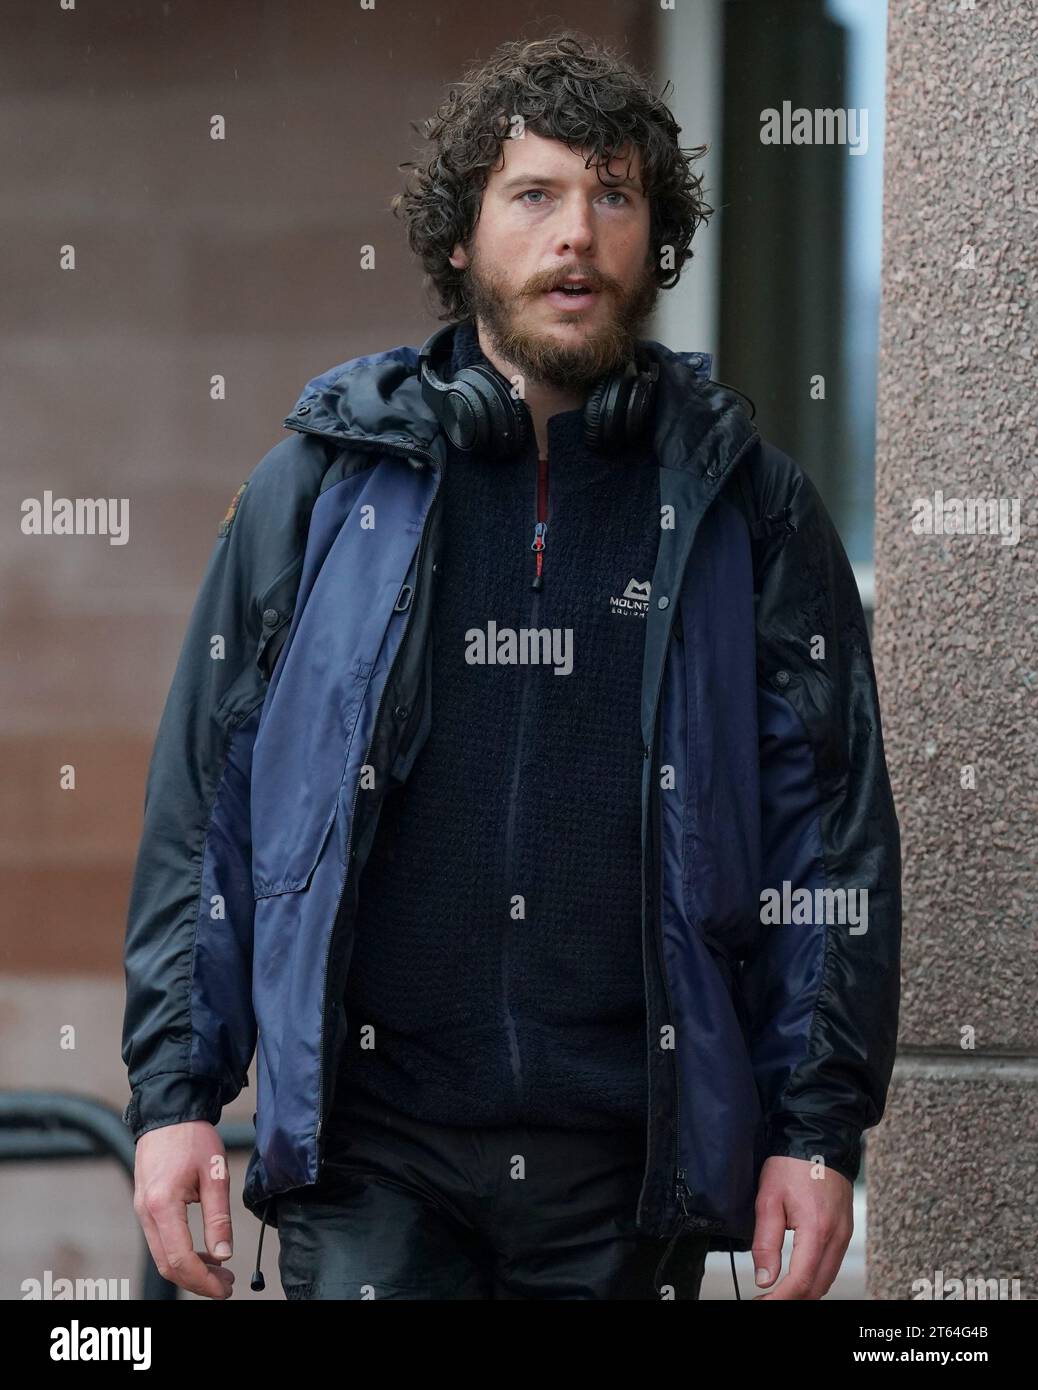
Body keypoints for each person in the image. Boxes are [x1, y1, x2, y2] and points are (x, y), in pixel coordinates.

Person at [121, 31, 901, 1301]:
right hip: (371, 1161)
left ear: (657, 237)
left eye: (613, 194)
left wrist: (814, 1131)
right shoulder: (319, 489)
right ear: (460, 235)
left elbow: (827, 842)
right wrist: (174, 1095)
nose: (576, 234)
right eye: (533, 195)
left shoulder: (746, 505)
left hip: (626, 1163)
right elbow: (210, 812)